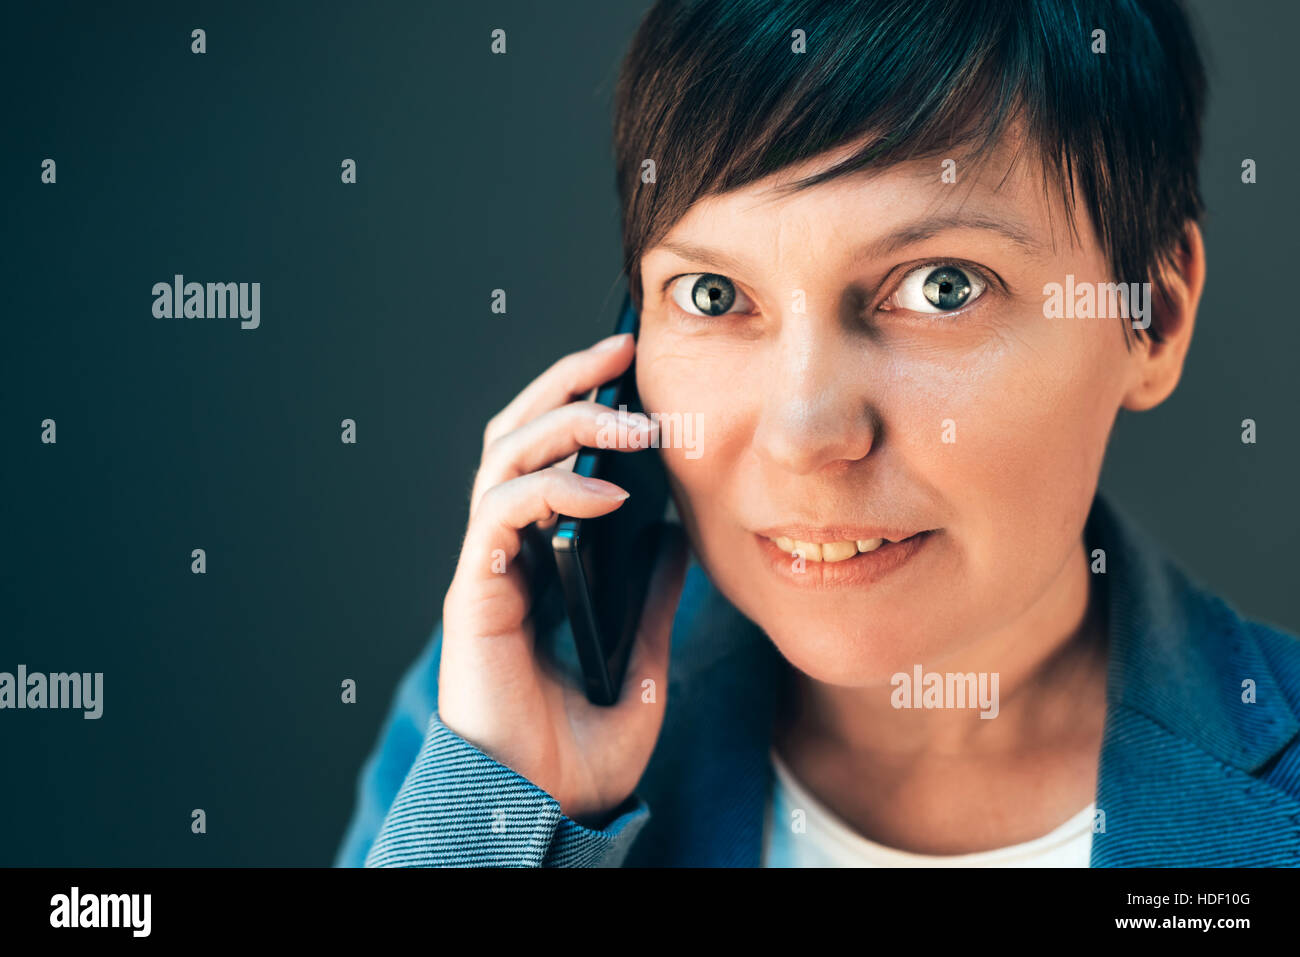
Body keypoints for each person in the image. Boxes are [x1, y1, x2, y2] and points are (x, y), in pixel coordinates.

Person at [336, 0, 1300, 867]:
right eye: (714, 296)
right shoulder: (496, 724)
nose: (806, 433)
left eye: (941, 287)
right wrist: (503, 812)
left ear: (1153, 317)